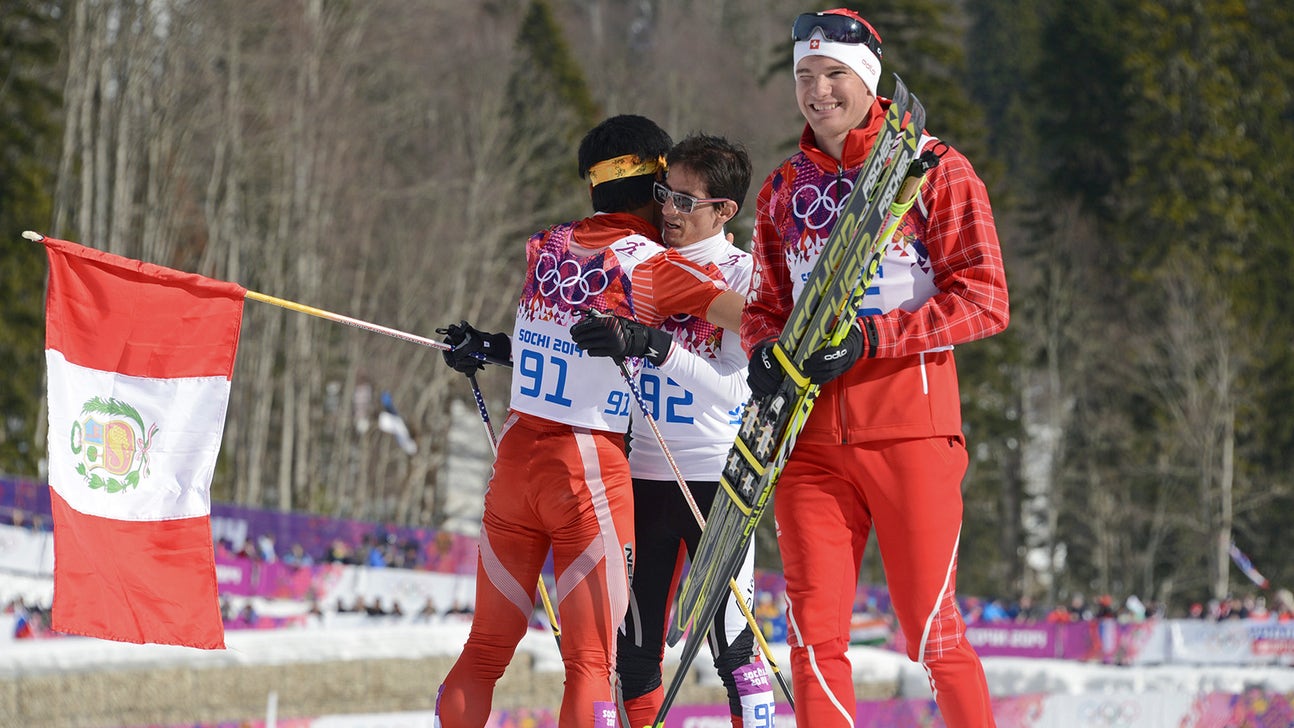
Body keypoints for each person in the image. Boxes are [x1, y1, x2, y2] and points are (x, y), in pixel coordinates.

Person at [740, 9, 1009, 726]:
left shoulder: (934, 170)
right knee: (812, 639)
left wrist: (872, 339)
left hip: (910, 434)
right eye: (805, 75)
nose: (818, 91)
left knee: (929, 629)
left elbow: (985, 299)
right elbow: (766, 304)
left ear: (867, 78)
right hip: (810, 443)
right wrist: (763, 352)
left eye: (834, 75)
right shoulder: (782, 190)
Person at [435, 115, 739, 728]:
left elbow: (558, 341)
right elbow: (756, 317)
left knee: (486, 650)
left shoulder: (546, 245)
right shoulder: (652, 264)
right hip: (587, 471)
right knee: (591, 663)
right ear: (654, 188)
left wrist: (492, 346)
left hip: (517, 462)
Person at [570, 134, 776, 727]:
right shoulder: (641, 261)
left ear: (724, 212)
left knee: (731, 646)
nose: (668, 210)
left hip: (716, 480)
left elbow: (737, 388)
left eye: (685, 201)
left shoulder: (741, 276)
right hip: (642, 476)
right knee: (635, 653)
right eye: (664, 194)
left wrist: (657, 348)